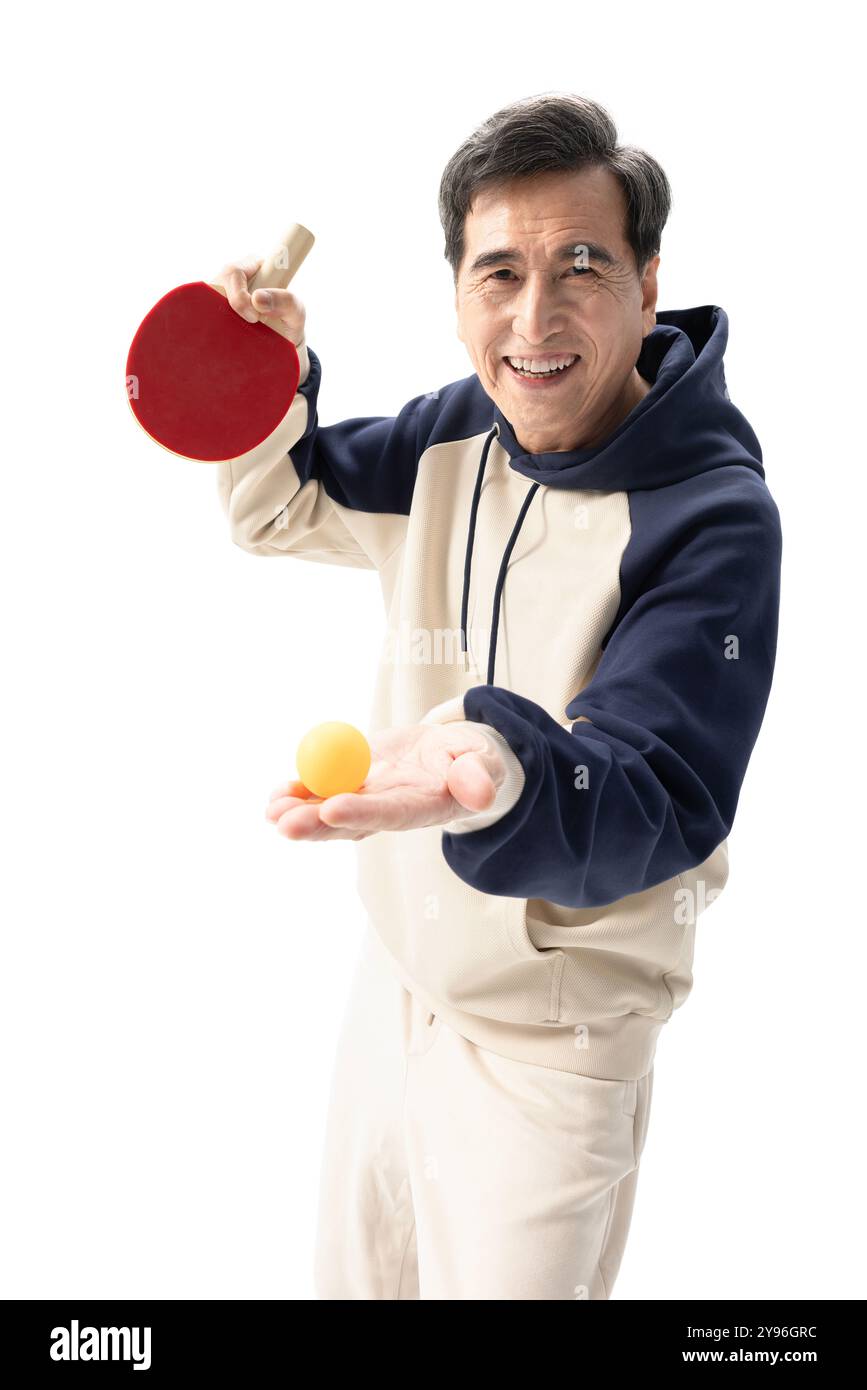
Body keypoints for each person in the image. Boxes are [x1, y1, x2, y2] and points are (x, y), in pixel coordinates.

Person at [216, 93, 782, 1300]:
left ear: (646, 281)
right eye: (500, 271)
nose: (537, 315)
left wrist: (498, 763)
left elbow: (650, 787)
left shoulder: (713, 520)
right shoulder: (457, 435)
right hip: (399, 982)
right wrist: (256, 371)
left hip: (552, 1050)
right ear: (458, 289)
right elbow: (283, 502)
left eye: (582, 263)